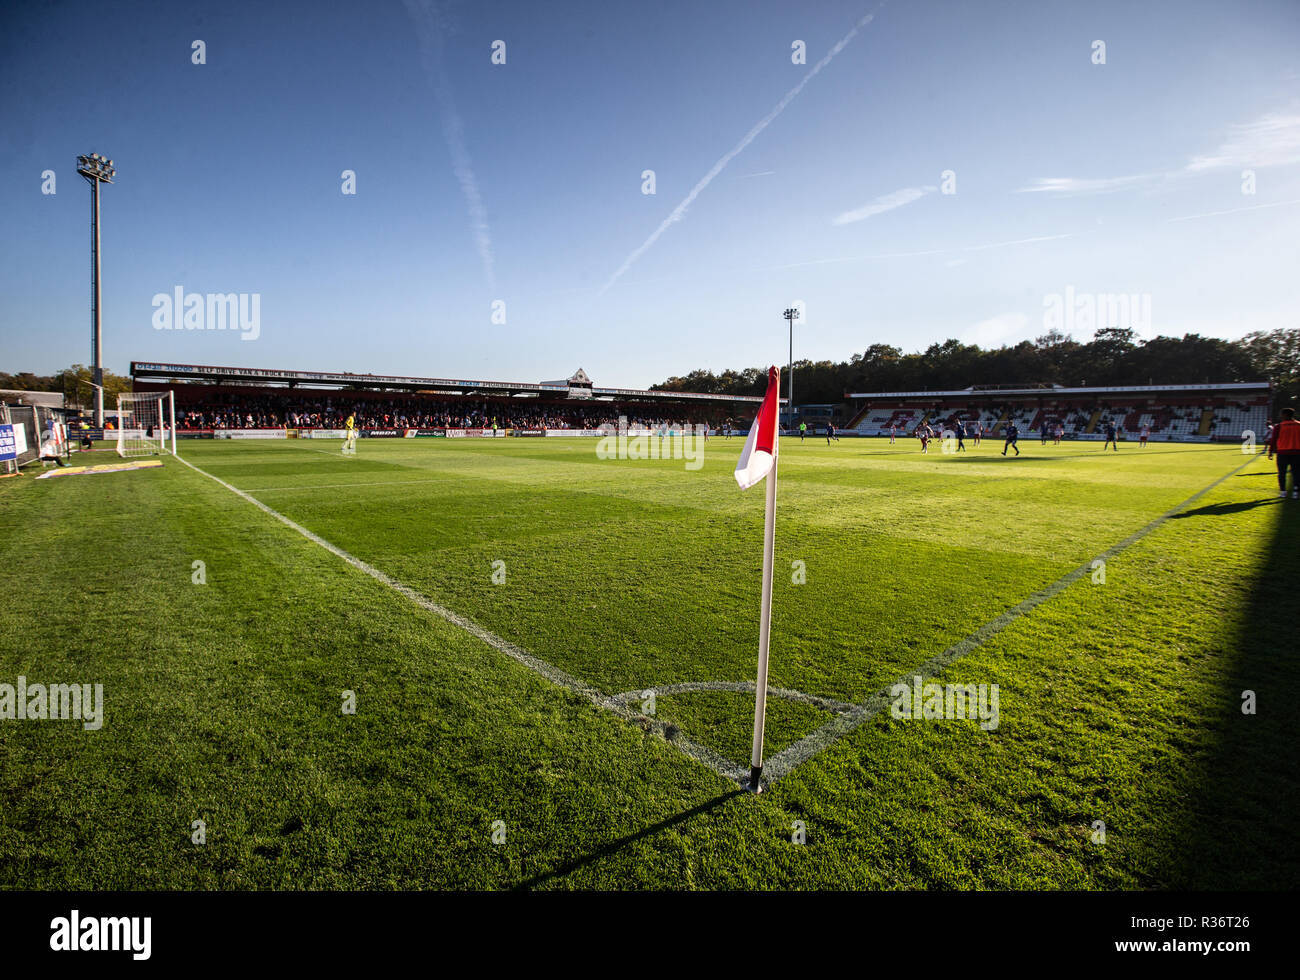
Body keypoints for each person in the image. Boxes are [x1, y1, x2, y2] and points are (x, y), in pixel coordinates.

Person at [1267, 406, 1299, 499]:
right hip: (1297, 452)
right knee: (1296, 473)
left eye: (1282, 414)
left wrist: (1270, 451)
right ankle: (1296, 493)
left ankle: (1283, 492)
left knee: (1282, 473)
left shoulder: (1279, 426)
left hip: (1283, 452)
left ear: (1285, 415)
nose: (1281, 416)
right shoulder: (1298, 425)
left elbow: (1273, 440)